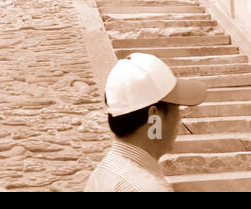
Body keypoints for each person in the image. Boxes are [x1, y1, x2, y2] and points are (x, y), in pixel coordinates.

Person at [85, 52, 206, 192]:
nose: (179, 119)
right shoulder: (147, 188)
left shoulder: (103, 173)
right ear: (154, 117)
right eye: (176, 108)